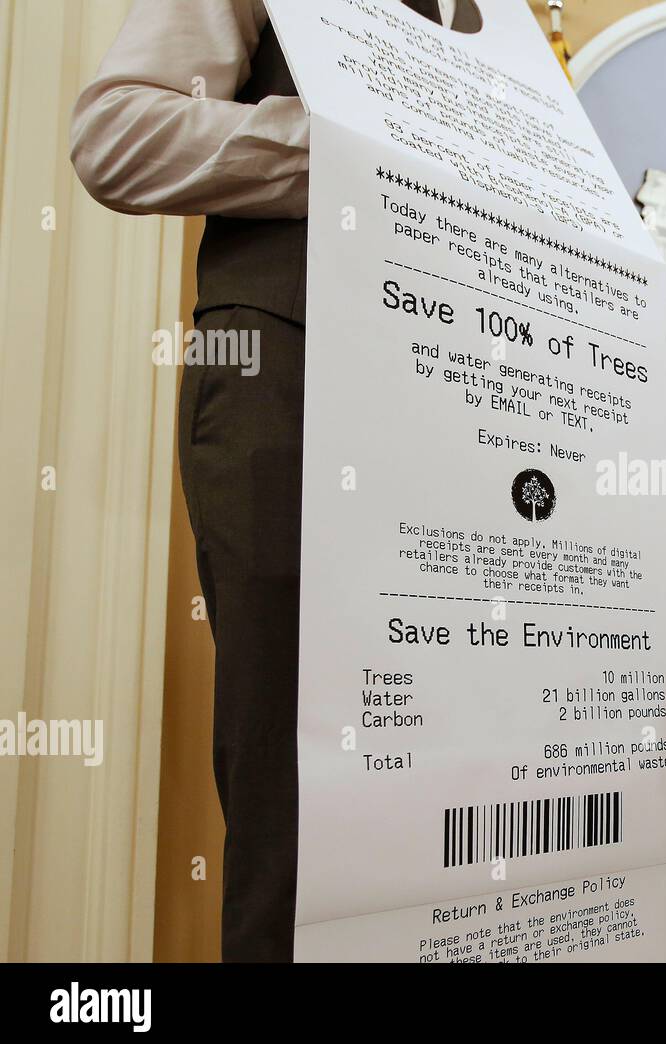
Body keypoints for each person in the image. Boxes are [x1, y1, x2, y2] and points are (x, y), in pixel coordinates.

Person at [69, 0, 461, 962]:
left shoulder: (507, 31)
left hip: (464, 406)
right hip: (294, 377)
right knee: (301, 791)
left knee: (456, 775)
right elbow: (118, 135)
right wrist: (355, 151)